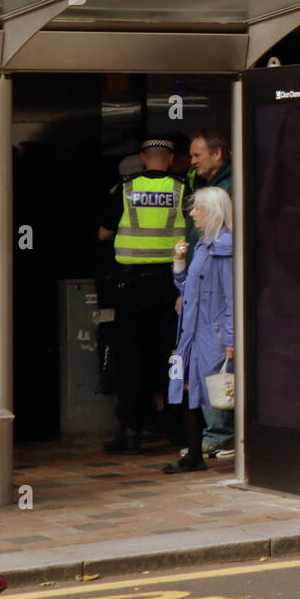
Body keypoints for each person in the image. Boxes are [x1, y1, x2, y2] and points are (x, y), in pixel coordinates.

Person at [98, 138, 186, 454]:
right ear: (172, 158)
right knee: (173, 352)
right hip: (173, 283)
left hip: (133, 286)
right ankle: (177, 429)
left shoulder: (124, 188)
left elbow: (103, 233)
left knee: (132, 356)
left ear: (143, 158)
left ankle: (132, 431)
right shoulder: (182, 188)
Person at [164, 186, 234, 474]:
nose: (192, 214)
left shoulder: (222, 249)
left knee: (217, 393)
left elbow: (232, 297)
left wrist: (230, 339)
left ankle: (197, 453)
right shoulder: (205, 246)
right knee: (191, 390)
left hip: (209, 334)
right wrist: (178, 262)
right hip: (195, 333)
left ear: (213, 212)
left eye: (198, 208)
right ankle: (194, 454)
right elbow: (187, 288)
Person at [185, 129, 235, 456]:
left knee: (216, 369)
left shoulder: (226, 190)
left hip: (213, 309)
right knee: (204, 370)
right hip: (201, 299)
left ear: (217, 154)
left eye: (196, 156)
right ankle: (213, 434)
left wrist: (230, 337)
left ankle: (220, 436)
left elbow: (231, 294)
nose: (191, 162)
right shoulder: (204, 186)